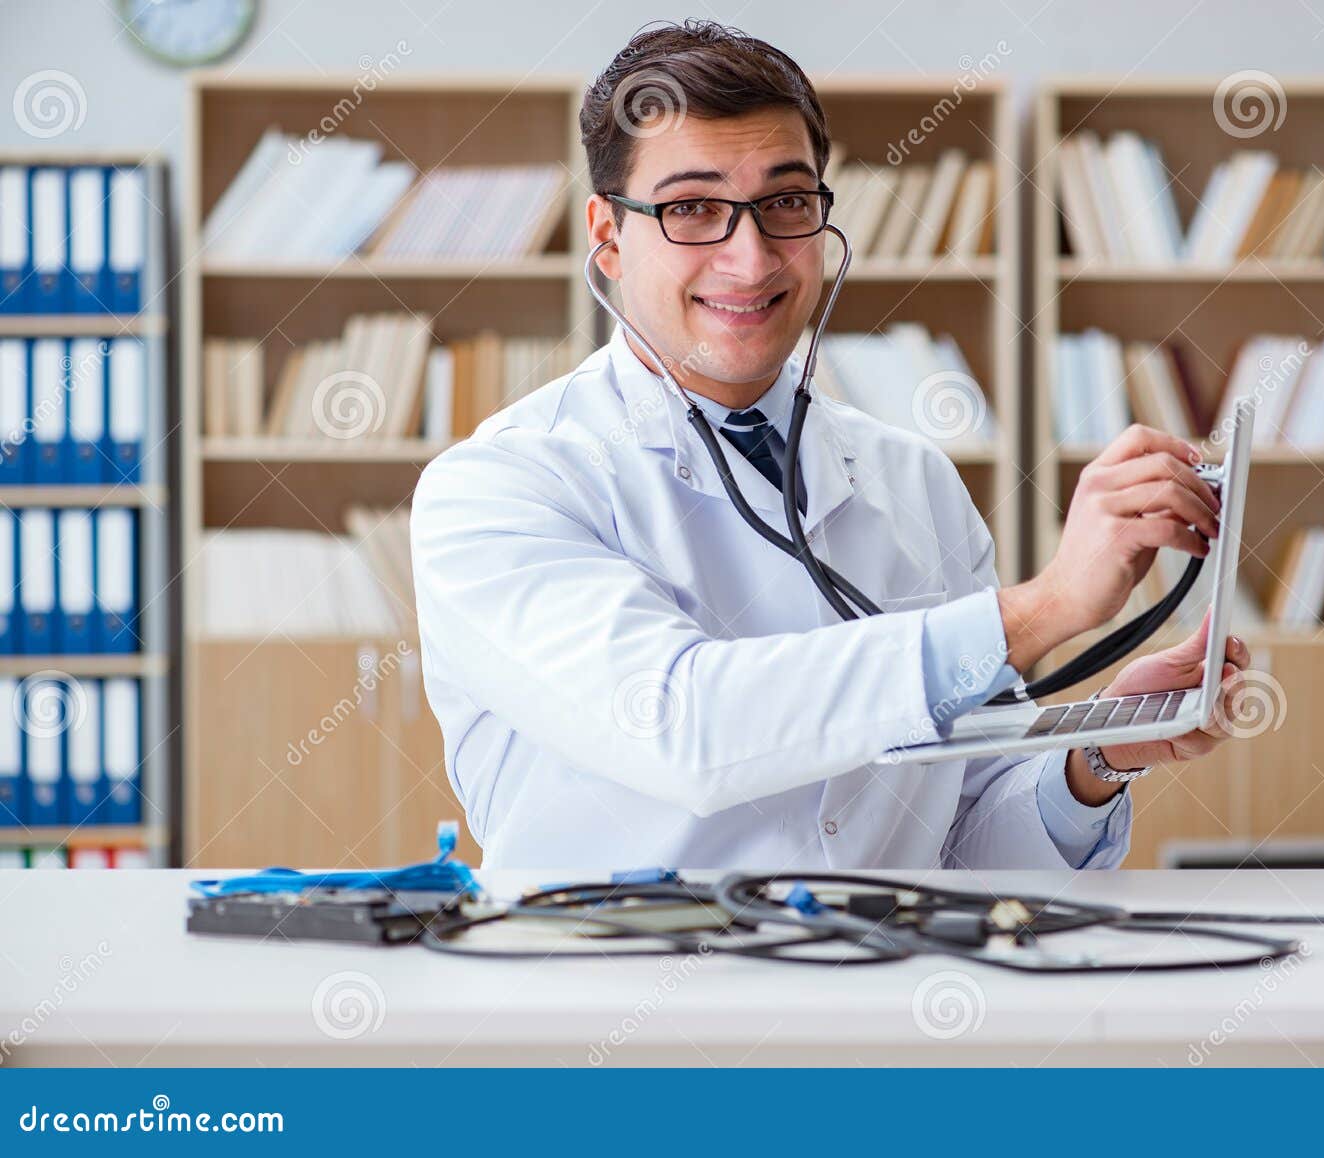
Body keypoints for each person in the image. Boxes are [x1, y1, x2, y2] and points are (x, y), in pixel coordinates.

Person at [410, 19, 1255, 869]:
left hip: (879, 991)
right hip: (610, 989)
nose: (751, 259)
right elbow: (681, 727)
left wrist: (1097, 754)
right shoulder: (501, 484)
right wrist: (1045, 608)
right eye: (693, 208)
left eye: (785, 202)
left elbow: (963, 845)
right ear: (607, 235)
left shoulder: (911, 479)